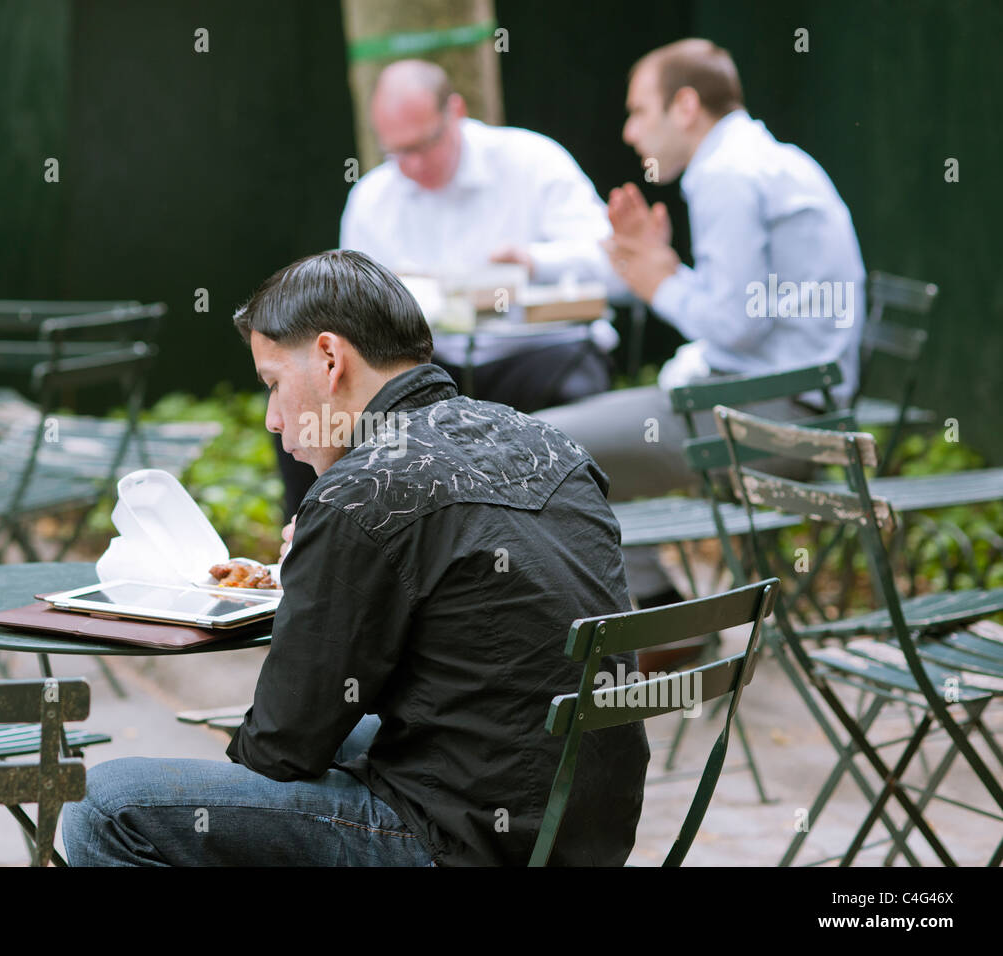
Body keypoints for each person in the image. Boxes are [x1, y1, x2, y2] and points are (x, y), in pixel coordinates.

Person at [62, 250, 650, 866]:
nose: (270, 419)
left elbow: (278, 747)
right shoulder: (547, 443)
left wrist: (320, 566)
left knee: (104, 805)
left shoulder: (360, 491)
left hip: (463, 844)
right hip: (583, 829)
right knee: (352, 738)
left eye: (273, 384)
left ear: (328, 358)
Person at [536, 38, 866, 606]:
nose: (629, 132)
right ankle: (655, 605)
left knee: (541, 445)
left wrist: (658, 278)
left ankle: (648, 618)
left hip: (767, 423)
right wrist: (665, 270)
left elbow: (734, 326)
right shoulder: (770, 159)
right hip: (798, 407)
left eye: (639, 111)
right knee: (581, 442)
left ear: (685, 106)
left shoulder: (727, 173)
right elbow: (747, 311)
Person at [275, 59, 622, 520]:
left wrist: (535, 261)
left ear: (455, 111)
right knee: (313, 408)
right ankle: (314, 545)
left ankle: (569, 534)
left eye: (424, 144)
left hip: (540, 351)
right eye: (398, 152)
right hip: (432, 367)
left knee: (574, 389)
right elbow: (348, 316)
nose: (414, 165)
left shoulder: (532, 161)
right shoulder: (374, 197)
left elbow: (616, 270)